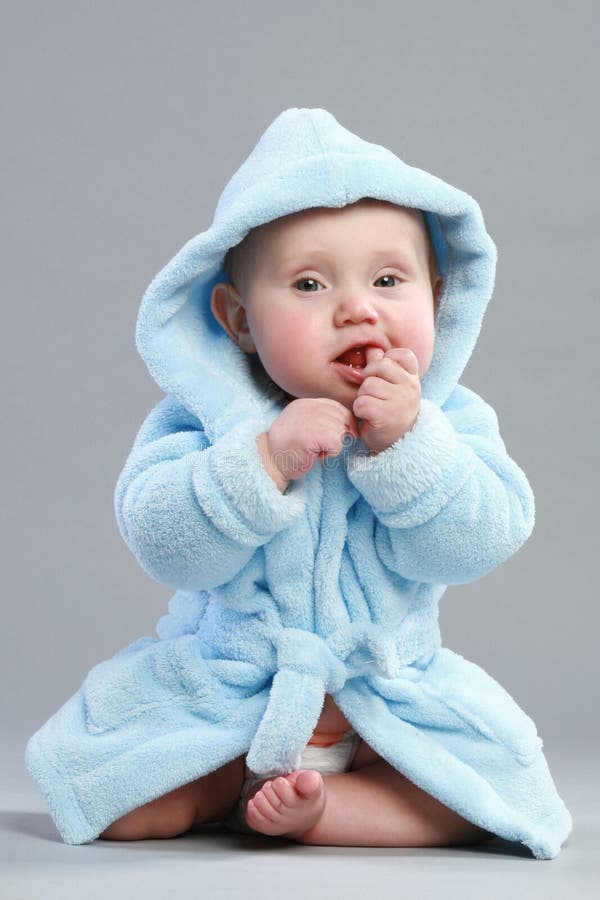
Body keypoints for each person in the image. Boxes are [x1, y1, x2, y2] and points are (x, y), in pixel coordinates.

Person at [25, 108, 572, 858]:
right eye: (310, 283)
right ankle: (224, 785)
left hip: (385, 704)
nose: (358, 308)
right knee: (111, 798)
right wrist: (262, 463)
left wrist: (410, 449)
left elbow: (482, 541)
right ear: (239, 320)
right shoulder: (206, 423)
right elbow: (163, 543)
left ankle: (325, 808)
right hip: (232, 696)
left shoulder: (448, 423)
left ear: (437, 300)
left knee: (486, 797)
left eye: (389, 279)